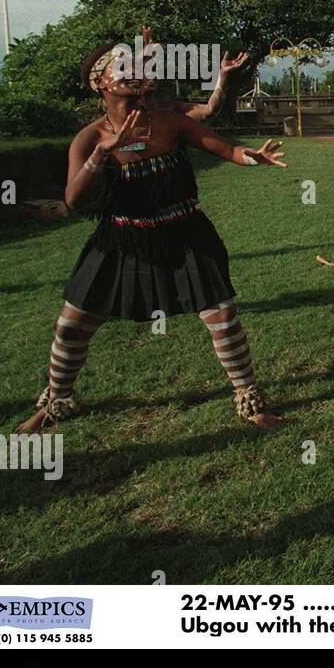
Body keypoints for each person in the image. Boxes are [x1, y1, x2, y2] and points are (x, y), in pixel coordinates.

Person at [18, 43, 288, 433]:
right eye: (121, 66)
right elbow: (74, 200)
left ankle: (250, 401)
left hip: (184, 233)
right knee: (72, 323)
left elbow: (225, 148)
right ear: (100, 83)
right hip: (121, 238)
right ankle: (56, 401)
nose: (134, 70)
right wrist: (102, 154)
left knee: (223, 318)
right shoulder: (89, 138)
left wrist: (252, 156)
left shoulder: (169, 121)